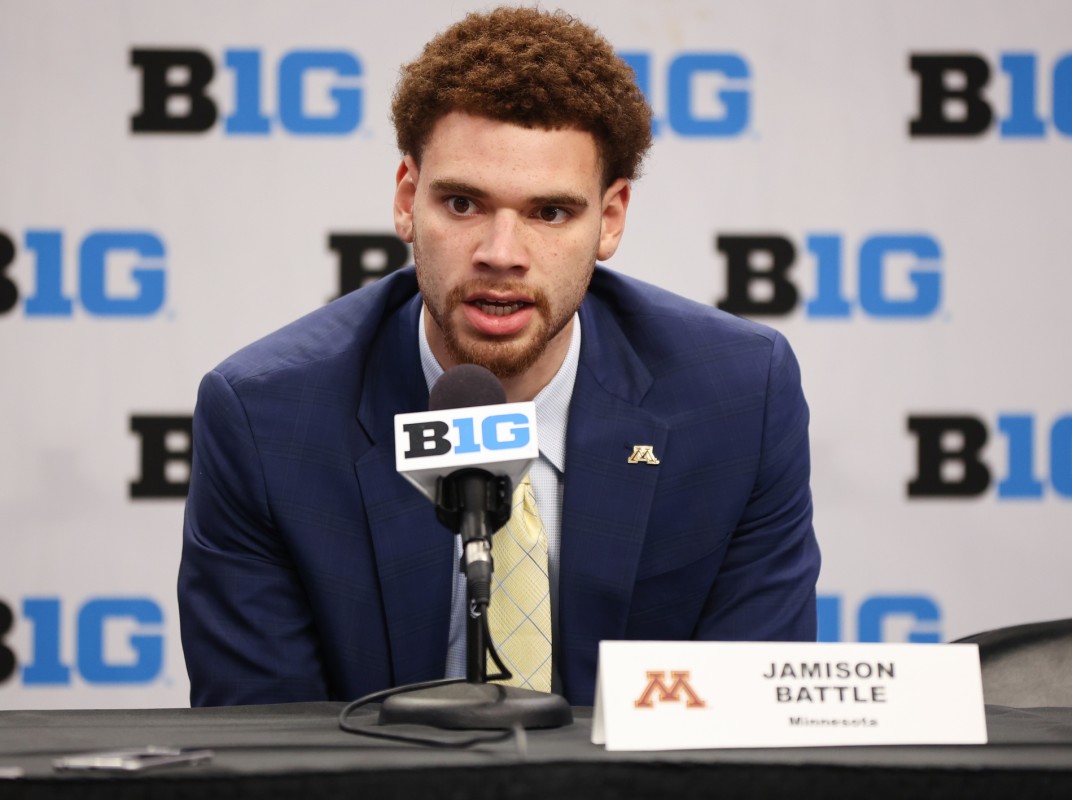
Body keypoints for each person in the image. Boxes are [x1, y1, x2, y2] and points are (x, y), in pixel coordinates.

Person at [179, 6, 819, 707]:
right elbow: (268, 740)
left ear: (610, 220)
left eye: (550, 213)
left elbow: (747, 718)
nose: (501, 254)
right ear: (407, 201)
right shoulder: (267, 420)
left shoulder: (738, 399)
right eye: (462, 204)